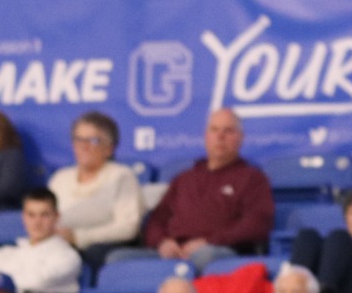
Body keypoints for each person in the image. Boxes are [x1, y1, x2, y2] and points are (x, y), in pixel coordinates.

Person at [114, 109, 274, 271]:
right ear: (206, 136)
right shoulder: (184, 179)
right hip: (173, 251)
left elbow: (257, 224)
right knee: (117, 259)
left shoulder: (253, 178)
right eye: (214, 130)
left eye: (228, 131)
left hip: (218, 251)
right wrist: (163, 242)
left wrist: (209, 241)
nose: (220, 137)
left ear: (241, 138)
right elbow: (157, 220)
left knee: (205, 256)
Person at [48, 111, 144, 265]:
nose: (83, 146)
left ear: (109, 149)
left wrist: (78, 237)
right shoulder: (60, 178)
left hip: (99, 250)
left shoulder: (121, 176)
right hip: (59, 245)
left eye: (92, 140)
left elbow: (128, 227)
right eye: (78, 139)